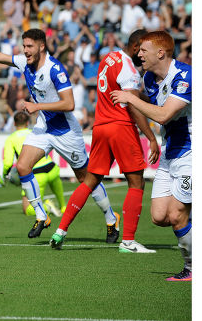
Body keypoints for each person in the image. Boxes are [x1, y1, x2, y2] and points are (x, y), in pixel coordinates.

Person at [0, 29, 118, 240]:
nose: (25, 50)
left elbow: (69, 103)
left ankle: (111, 218)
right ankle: (42, 216)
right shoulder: (25, 63)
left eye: (29, 46)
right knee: (22, 166)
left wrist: (37, 106)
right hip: (43, 127)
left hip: (65, 131)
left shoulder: (55, 69)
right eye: (24, 46)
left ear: (42, 46)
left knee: (85, 178)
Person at [49, 29, 160, 252]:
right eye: (144, 50)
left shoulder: (108, 58)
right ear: (136, 46)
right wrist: (151, 137)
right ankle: (128, 241)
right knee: (136, 182)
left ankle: (60, 231)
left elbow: (120, 91)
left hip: (101, 126)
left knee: (90, 180)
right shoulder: (129, 67)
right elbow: (132, 104)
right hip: (121, 126)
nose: (144, 56)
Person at [110, 31, 191, 281]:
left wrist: (128, 97)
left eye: (144, 50)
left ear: (161, 53)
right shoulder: (150, 77)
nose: (139, 53)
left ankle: (191, 268)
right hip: (170, 153)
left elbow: (164, 115)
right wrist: (135, 95)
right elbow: (153, 101)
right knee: (159, 216)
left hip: (191, 152)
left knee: (177, 214)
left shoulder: (186, 76)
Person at [0, 111, 65, 217]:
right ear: (27, 123)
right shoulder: (34, 132)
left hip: (36, 174)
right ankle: (63, 207)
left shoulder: (11, 138)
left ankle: (47, 206)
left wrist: (3, 177)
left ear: (14, 124)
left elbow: (7, 163)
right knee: (59, 193)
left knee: (28, 209)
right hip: (52, 168)